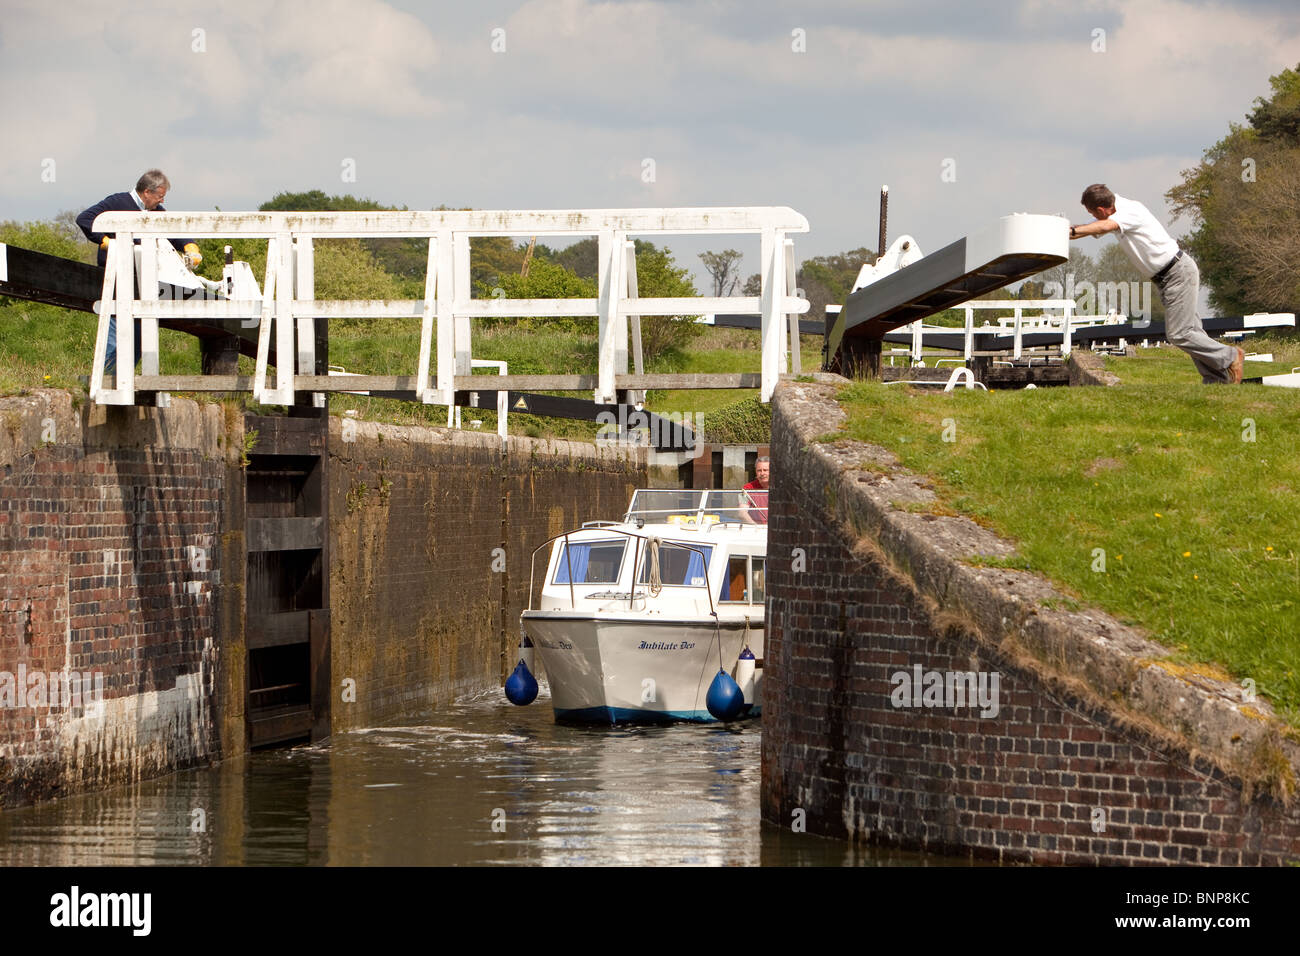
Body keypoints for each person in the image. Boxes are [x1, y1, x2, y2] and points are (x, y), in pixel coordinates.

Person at [1070, 184, 1242, 385]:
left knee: (1179, 334)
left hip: (1177, 272)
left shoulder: (1129, 211)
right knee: (1193, 332)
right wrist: (1062, 232)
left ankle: (1230, 356)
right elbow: (1089, 228)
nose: (1093, 216)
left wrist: (1074, 229)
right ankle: (1217, 380)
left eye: (1092, 212)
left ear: (1101, 210)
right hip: (1168, 277)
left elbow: (1104, 227)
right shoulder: (1114, 210)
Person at [76, 170, 201, 370]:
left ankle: (125, 379)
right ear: (146, 192)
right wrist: (105, 241)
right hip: (116, 278)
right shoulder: (117, 202)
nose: (162, 200)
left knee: (140, 335)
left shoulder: (157, 212)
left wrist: (190, 246)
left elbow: (172, 233)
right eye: (159, 196)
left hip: (144, 282)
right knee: (116, 333)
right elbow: (84, 219)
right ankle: (108, 378)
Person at [741, 456, 770, 525]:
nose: (762, 473)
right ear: (755, 472)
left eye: (765, 470)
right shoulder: (746, 488)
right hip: (756, 528)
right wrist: (755, 526)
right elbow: (742, 512)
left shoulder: (780, 488)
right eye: (759, 470)